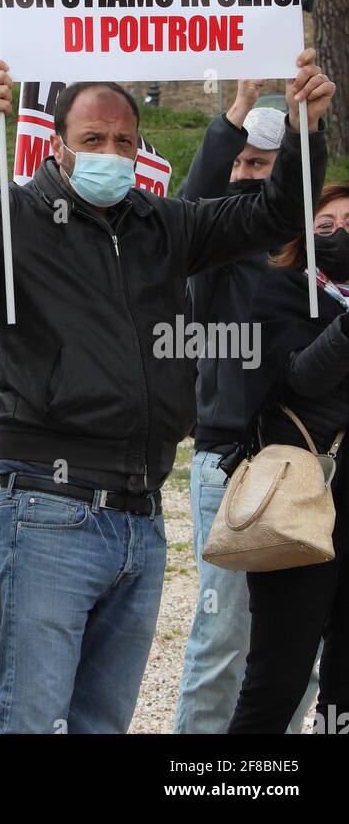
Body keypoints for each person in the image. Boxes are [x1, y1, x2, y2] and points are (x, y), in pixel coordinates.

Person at [0, 53, 333, 734]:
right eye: (92, 140)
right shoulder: (12, 220)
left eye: (123, 141)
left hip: (141, 516)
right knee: (32, 719)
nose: (110, 154)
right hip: (48, 509)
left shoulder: (163, 225)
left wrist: (304, 133)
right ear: (57, 146)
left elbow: (271, 218)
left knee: (101, 723)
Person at [174, 84, 317, 734]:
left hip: (306, 469)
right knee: (220, 644)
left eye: (266, 165)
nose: (251, 178)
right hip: (230, 464)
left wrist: (303, 129)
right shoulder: (215, 243)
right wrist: (227, 122)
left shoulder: (310, 259)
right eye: (244, 163)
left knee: (297, 653)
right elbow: (183, 211)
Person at [228, 181, 349, 733]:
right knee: (280, 673)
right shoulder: (281, 292)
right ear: (304, 236)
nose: (340, 233)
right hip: (301, 501)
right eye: (326, 226)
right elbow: (298, 379)